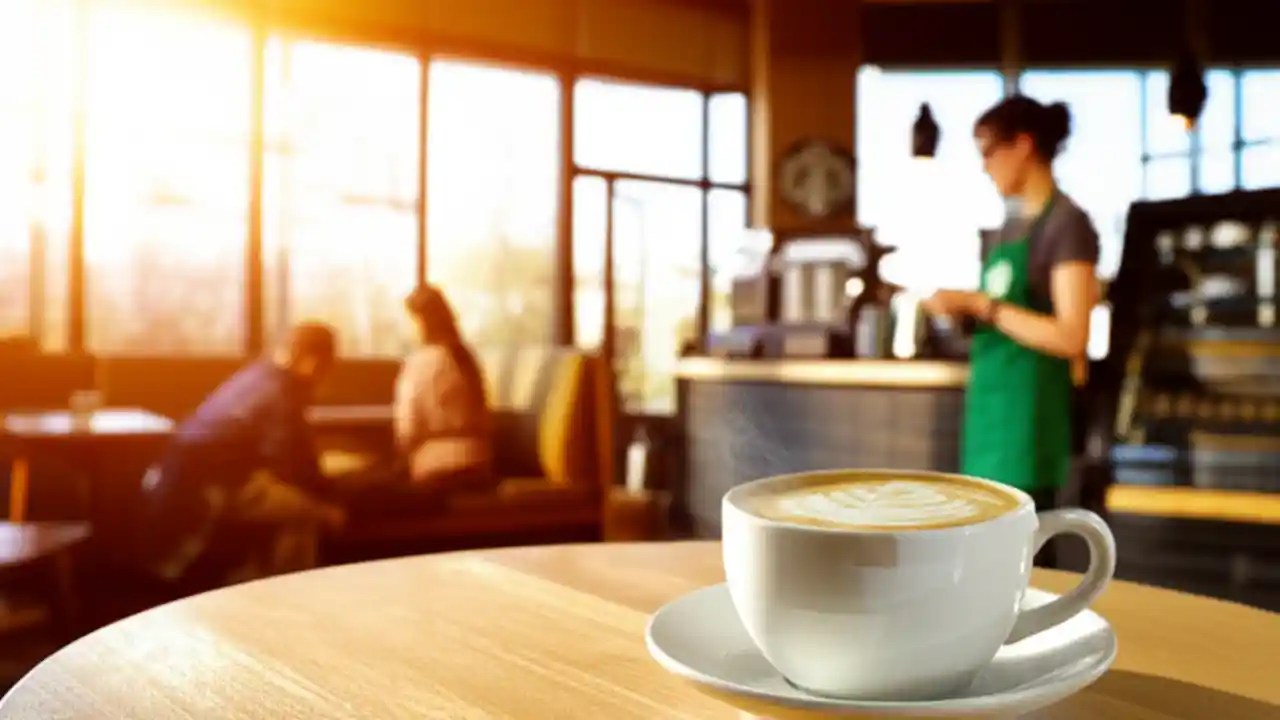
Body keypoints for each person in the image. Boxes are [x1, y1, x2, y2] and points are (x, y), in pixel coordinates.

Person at [922, 96, 1099, 564]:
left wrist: (985, 305)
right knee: (988, 560)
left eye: (987, 152)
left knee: (1027, 563)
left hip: (1031, 427)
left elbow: (1071, 335)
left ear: (1023, 145)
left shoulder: (1068, 226)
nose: (984, 168)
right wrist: (964, 311)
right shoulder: (1008, 230)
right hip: (992, 424)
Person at [140, 323, 346, 584]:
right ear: (315, 360)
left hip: (178, 479)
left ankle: (257, 579)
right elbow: (291, 460)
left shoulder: (256, 374)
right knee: (307, 511)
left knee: (285, 500)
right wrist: (329, 501)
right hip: (218, 485)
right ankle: (289, 590)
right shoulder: (285, 389)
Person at [335, 285, 494, 513]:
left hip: (440, 473)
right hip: (479, 467)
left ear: (421, 322)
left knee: (357, 493)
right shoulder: (466, 357)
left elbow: (407, 430)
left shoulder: (422, 361)